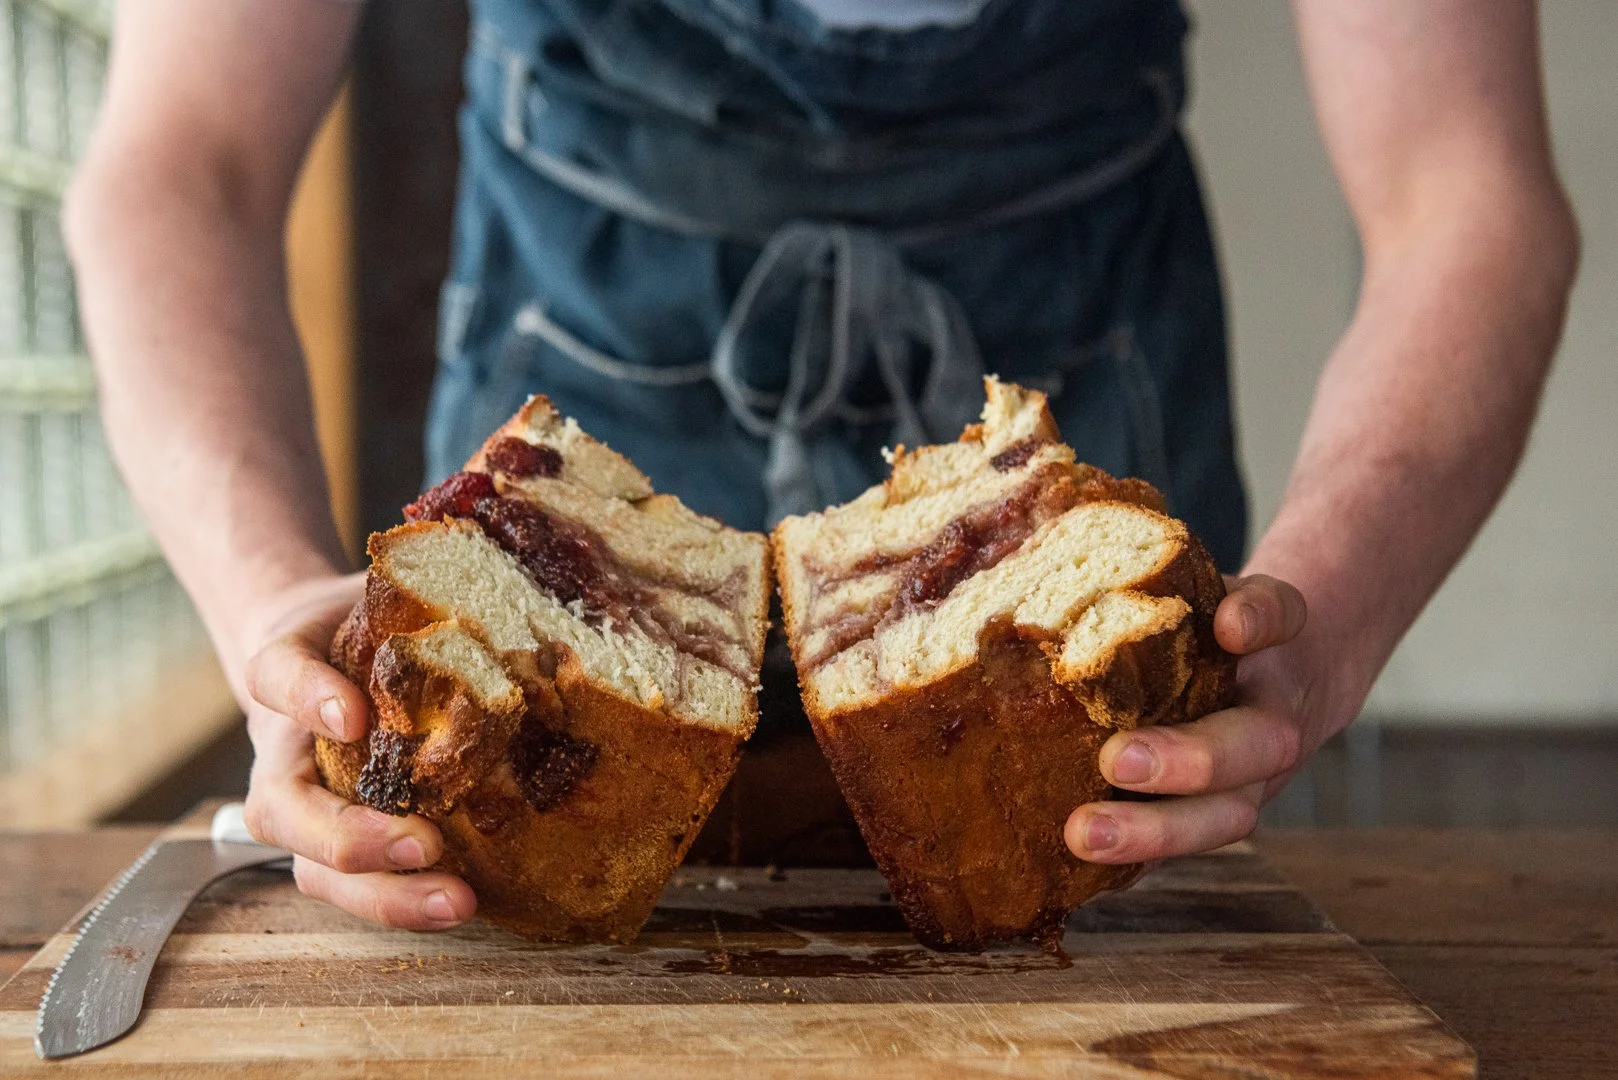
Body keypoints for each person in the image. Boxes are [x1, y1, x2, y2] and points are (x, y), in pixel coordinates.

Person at [65, 0, 1576, 931]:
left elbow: (1468, 196)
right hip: (566, 422)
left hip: (1082, 511)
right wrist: (266, 594)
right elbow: (178, 166)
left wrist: (1325, 614)